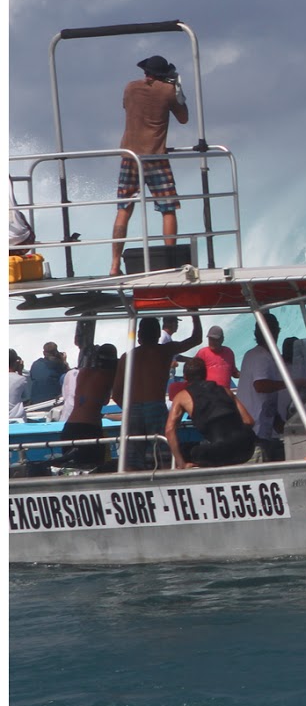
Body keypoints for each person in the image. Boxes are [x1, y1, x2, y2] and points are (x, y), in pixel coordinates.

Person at [110, 55, 190, 275]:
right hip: (154, 156)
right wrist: (177, 90)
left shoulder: (130, 88)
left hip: (129, 155)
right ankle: (170, 262)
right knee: (168, 209)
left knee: (124, 209)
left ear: (146, 72)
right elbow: (184, 118)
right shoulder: (167, 91)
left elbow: (128, 108)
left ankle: (115, 264)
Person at [112, 315, 201, 469]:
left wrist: (129, 410)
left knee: (133, 461)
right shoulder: (165, 350)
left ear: (139, 335)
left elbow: (117, 394)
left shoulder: (126, 357)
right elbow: (196, 339)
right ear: (158, 334)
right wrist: (194, 315)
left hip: (133, 410)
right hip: (156, 407)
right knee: (162, 458)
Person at [167, 358, 256, 469]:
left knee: (191, 450)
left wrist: (181, 463)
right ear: (206, 374)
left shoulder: (181, 397)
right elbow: (249, 421)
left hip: (219, 453)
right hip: (246, 448)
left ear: (185, 377)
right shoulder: (225, 391)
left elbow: (169, 430)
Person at [237, 313, 303, 461]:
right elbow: (261, 386)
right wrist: (293, 383)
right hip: (255, 432)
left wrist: (279, 423)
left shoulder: (256, 355)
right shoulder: (261, 357)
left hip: (259, 430)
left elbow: (264, 398)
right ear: (275, 331)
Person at [58, 344, 119, 473]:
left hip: (70, 427)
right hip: (89, 428)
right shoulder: (108, 375)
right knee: (94, 471)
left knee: (69, 472)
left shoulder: (83, 372)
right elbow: (107, 400)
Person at [9, 349, 28, 418]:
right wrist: (20, 371)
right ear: (15, 362)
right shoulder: (21, 379)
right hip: (15, 418)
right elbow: (27, 399)